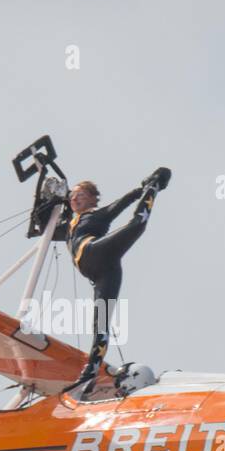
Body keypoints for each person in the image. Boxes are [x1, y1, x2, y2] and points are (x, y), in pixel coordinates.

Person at [55, 167, 171, 399]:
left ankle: (154, 188)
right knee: (100, 325)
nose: (74, 198)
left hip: (97, 254)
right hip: (98, 274)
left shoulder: (97, 215)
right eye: (72, 195)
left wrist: (142, 189)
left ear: (92, 198)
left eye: (80, 194)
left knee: (136, 226)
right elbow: (40, 230)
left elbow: (121, 203)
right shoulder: (67, 226)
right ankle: (90, 373)